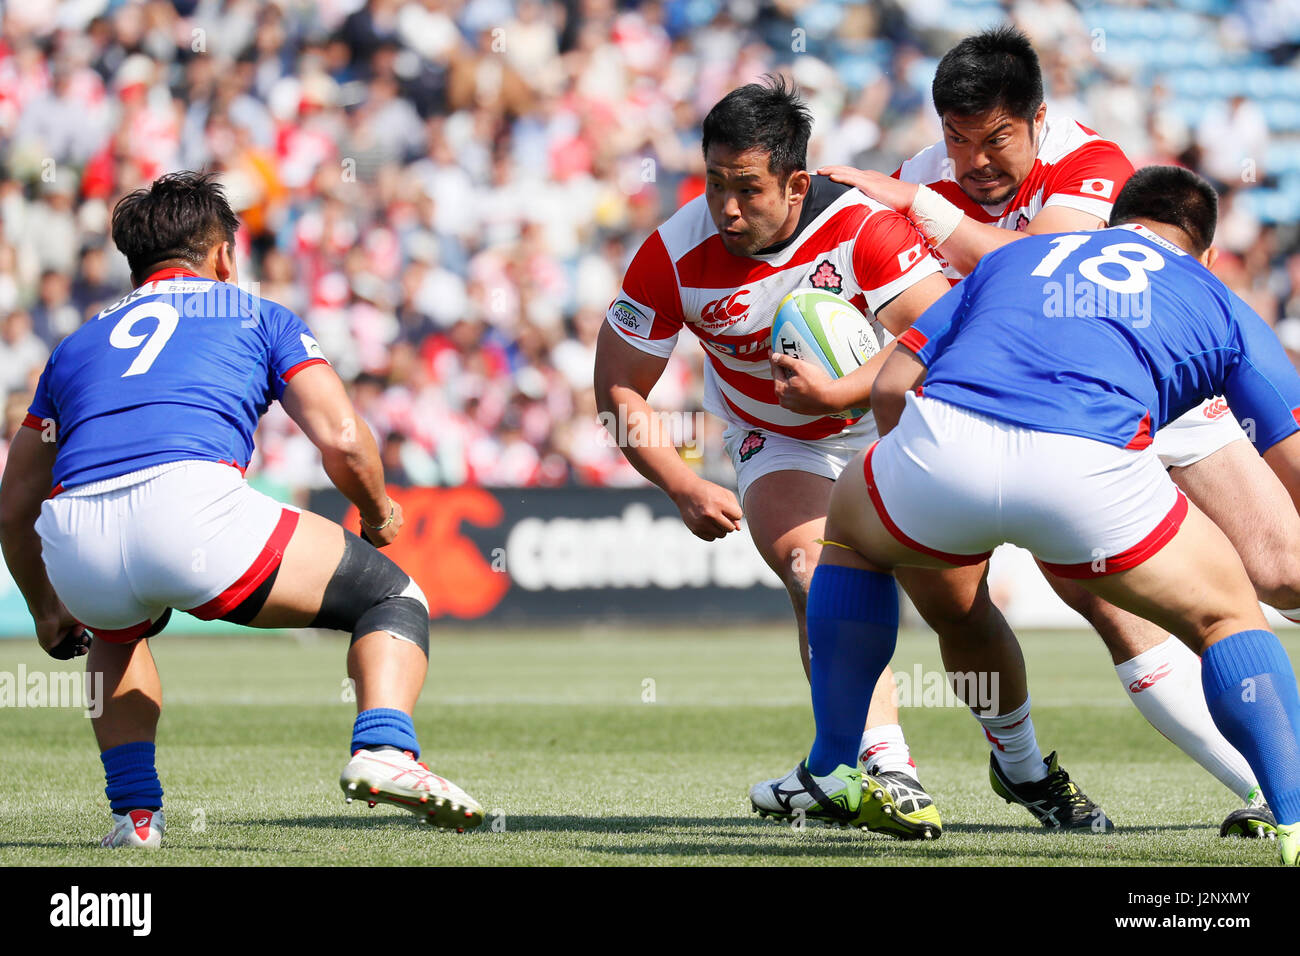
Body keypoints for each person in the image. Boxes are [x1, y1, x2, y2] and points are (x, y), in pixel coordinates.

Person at [752, 166, 1300, 865]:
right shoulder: (1213, 293)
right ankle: (1294, 817)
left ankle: (834, 765)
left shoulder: (1018, 254)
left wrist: (923, 500)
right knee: (1225, 616)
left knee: (852, 531)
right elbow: (1288, 444)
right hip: (1090, 475)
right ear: (1208, 253)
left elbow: (894, 383)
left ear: (1104, 229)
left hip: (947, 446)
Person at [822, 25, 1285, 836]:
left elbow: (1048, 265)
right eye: (955, 141)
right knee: (1102, 606)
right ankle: (1249, 783)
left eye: (995, 140)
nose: (972, 165)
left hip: (1144, 385)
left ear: (1040, 120)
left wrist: (922, 212)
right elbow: (922, 316)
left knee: (1281, 571)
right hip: (1015, 411)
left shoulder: (1093, 165)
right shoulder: (921, 177)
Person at [0, 172, 483, 848]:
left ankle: (135, 818)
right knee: (391, 597)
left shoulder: (75, 346)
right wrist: (378, 513)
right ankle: (387, 749)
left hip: (78, 541)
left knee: (115, 633)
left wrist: (48, 610)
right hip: (190, 514)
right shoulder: (256, 312)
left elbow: (15, 501)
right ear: (224, 255)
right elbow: (343, 440)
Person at [595, 78, 955, 838]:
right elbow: (618, 389)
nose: (727, 208)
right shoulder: (671, 253)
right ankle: (887, 766)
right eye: (714, 184)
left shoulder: (865, 229)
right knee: (814, 570)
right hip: (776, 437)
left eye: (747, 189)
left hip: (889, 422)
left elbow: (941, 335)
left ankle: (981, 760)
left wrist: (845, 393)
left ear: (796, 182)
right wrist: (683, 483)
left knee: (953, 607)